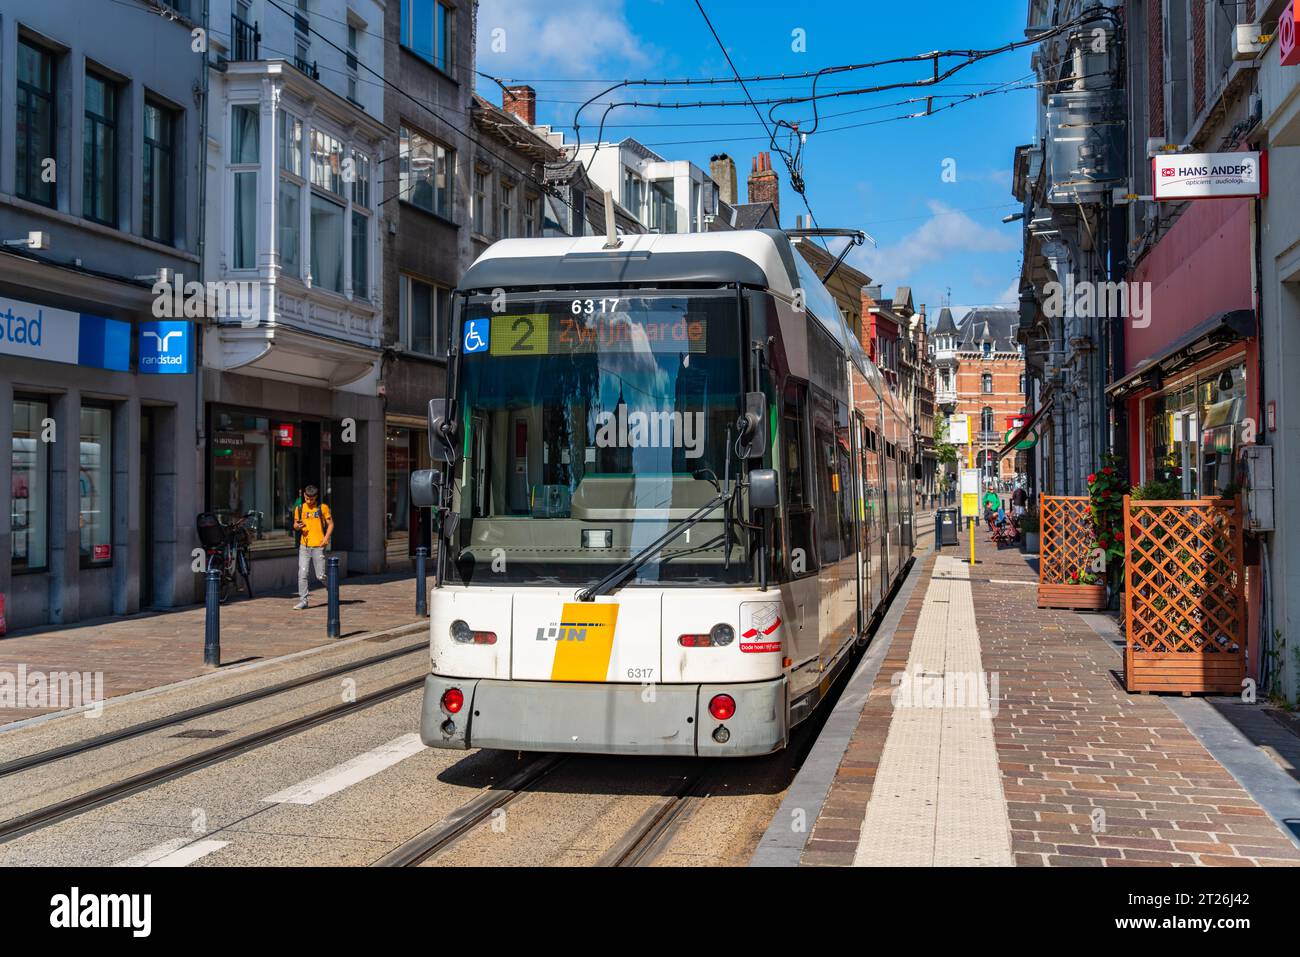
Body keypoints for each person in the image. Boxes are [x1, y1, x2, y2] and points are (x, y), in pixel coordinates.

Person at [293, 484, 333, 610]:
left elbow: (331, 524)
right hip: (304, 546)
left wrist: (326, 538)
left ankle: (332, 588)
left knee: (320, 575)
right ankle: (303, 601)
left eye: (312, 499)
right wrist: (297, 527)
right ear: (304, 495)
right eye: (307, 498)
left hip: (318, 546)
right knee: (302, 574)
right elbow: (295, 524)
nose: (309, 501)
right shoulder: (299, 508)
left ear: (316, 497)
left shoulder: (322, 508)